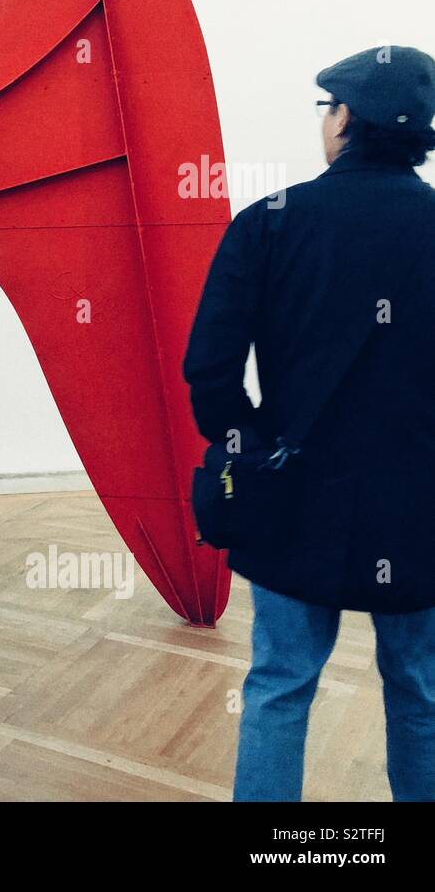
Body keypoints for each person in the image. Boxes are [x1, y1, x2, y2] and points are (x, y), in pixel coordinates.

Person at [183, 45, 435, 801]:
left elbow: (210, 371)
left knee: (279, 686)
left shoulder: (269, 223)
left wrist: (255, 445)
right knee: (420, 691)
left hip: (293, 499)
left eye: (328, 107)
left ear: (346, 118)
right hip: (419, 505)